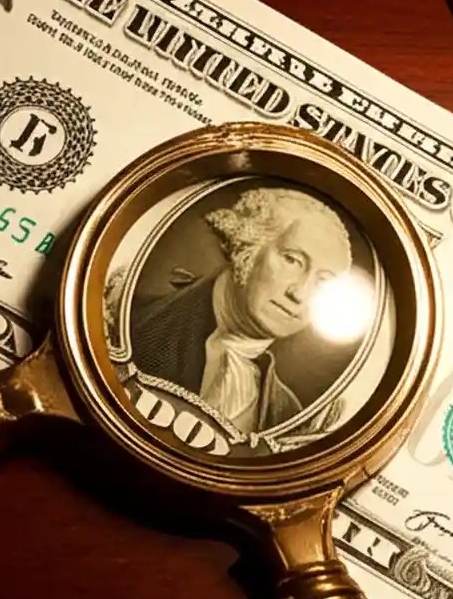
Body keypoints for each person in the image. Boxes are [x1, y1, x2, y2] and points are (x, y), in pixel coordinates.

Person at [129, 186, 354, 440]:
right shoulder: (132, 322)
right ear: (248, 246)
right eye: (292, 260)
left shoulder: (287, 412)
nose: (299, 294)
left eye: (323, 282)